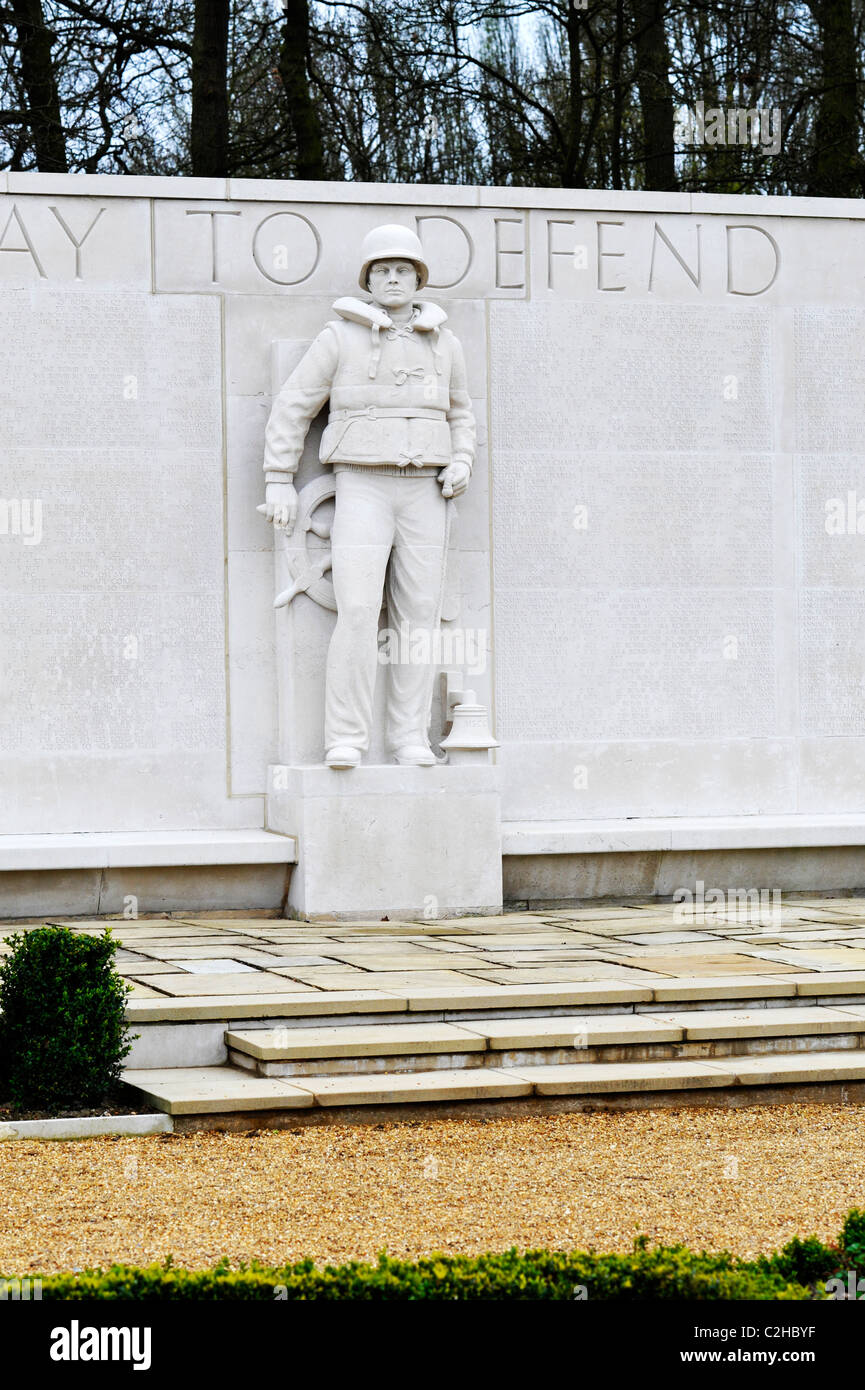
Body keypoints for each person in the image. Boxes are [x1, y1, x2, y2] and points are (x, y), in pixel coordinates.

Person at [260, 223, 476, 769]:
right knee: (356, 613)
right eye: (382, 270)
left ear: (419, 277)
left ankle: (409, 738)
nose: (394, 279)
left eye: (403, 269)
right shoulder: (339, 337)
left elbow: (461, 413)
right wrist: (278, 478)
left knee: (419, 619)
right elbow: (294, 406)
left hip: (425, 490)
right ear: (368, 279)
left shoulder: (445, 342)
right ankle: (347, 737)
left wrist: (463, 459)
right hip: (361, 485)